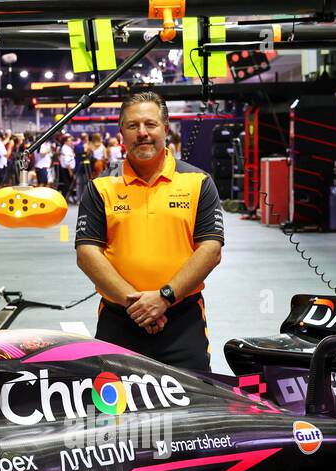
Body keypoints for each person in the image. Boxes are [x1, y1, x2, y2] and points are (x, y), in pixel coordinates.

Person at [74, 90, 225, 372]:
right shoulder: (101, 187)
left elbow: (211, 250)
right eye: (133, 126)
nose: (142, 133)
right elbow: (86, 254)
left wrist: (164, 297)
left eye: (150, 124)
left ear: (165, 129)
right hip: (118, 321)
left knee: (192, 411)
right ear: (121, 133)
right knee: (114, 411)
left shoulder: (198, 182)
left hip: (182, 322)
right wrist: (138, 305)